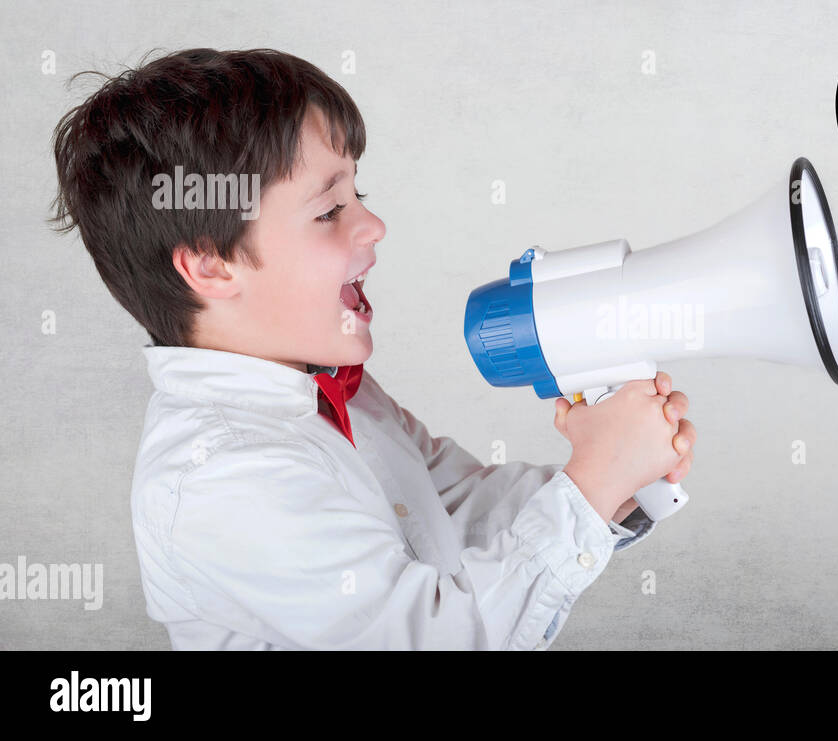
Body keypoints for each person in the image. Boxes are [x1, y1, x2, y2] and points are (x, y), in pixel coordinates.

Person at [50, 48, 697, 650]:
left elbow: (455, 512)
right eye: (330, 209)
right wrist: (594, 483)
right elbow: (443, 633)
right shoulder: (223, 477)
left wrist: (615, 478)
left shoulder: (335, 392)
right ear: (214, 268)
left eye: (360, 193)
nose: (373, 224)